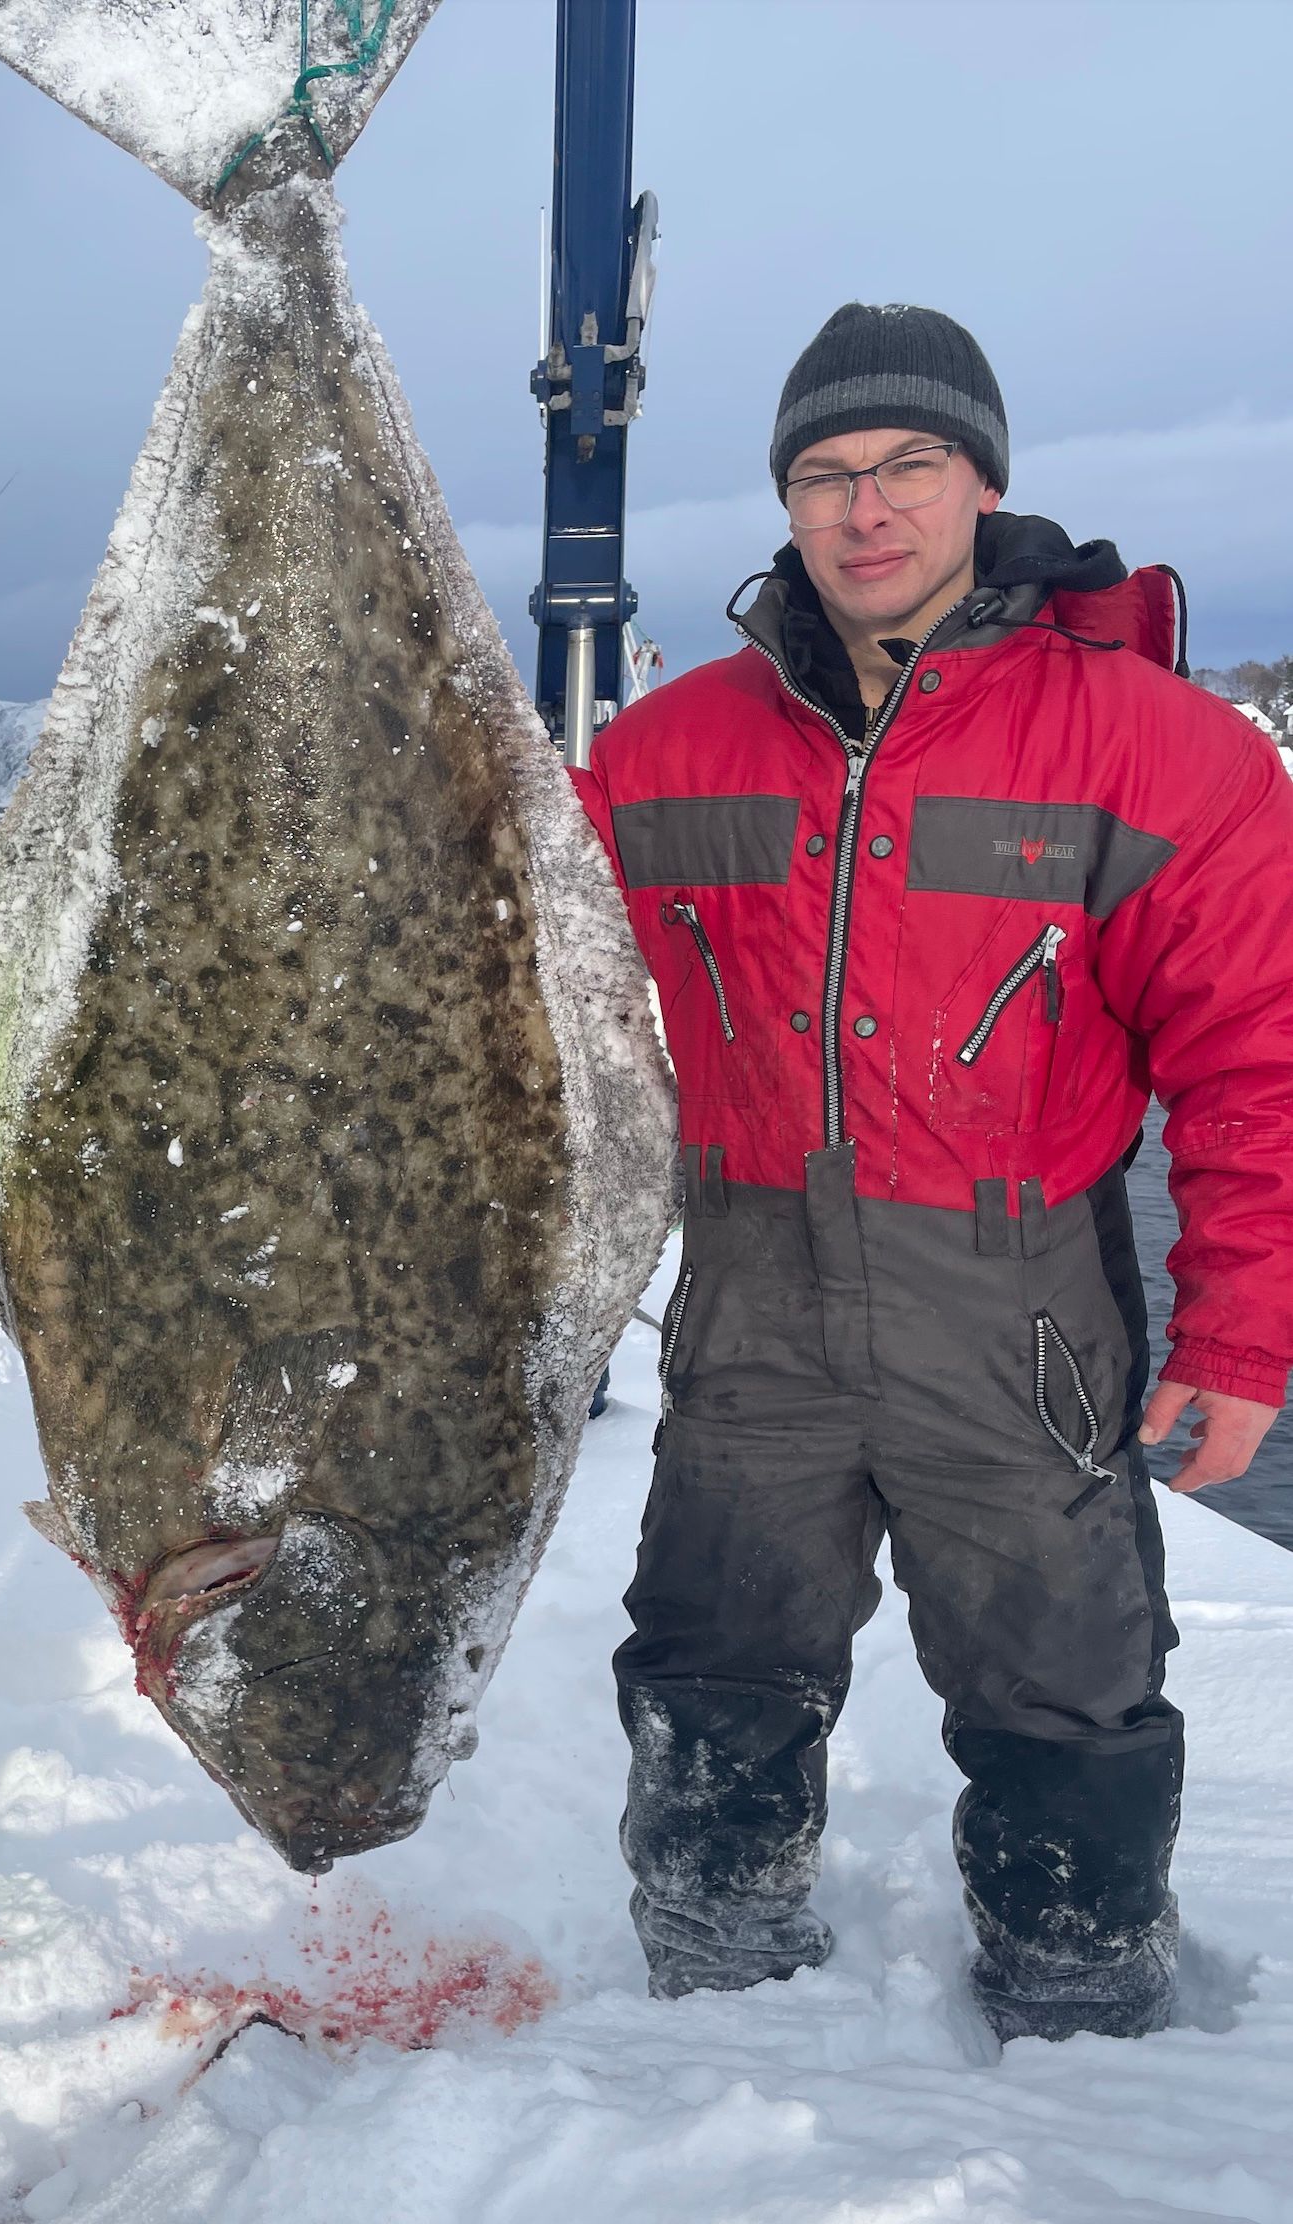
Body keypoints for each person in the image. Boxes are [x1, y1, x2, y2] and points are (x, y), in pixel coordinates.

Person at [572, 303, 1293, 2044]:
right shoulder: (661, 756)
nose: (863, 507)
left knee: (1064, 1684)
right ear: (782, 501)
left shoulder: (1150, 748)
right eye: (822, 472)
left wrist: (1239, 1340)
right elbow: (515, 1020)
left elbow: (1252, 1065)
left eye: (906, 464)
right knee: (711, 1661)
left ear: (982, 481)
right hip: (747, 1292)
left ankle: (1080, 2003)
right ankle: (704, 1994)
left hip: (1017, 1296)